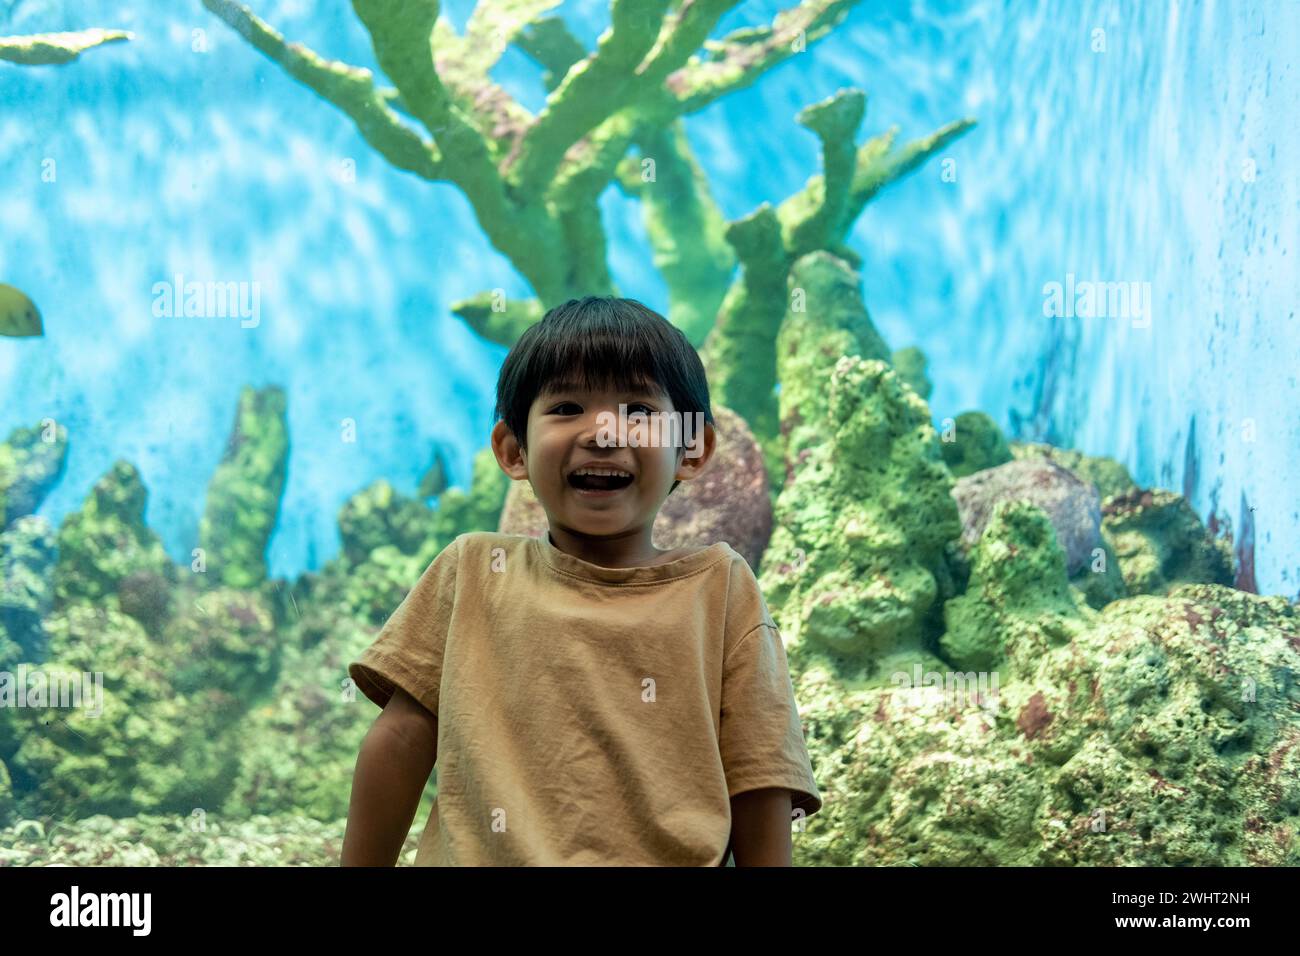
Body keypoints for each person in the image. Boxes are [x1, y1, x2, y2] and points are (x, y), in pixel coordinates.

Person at [341, 296, 821, 866]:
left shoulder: (720, 590)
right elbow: (401, 738)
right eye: (567, 406)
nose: (603, 432)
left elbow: (760, 778)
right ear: (513, 450)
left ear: (692, 449)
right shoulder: (471, 572)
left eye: (638, 410)